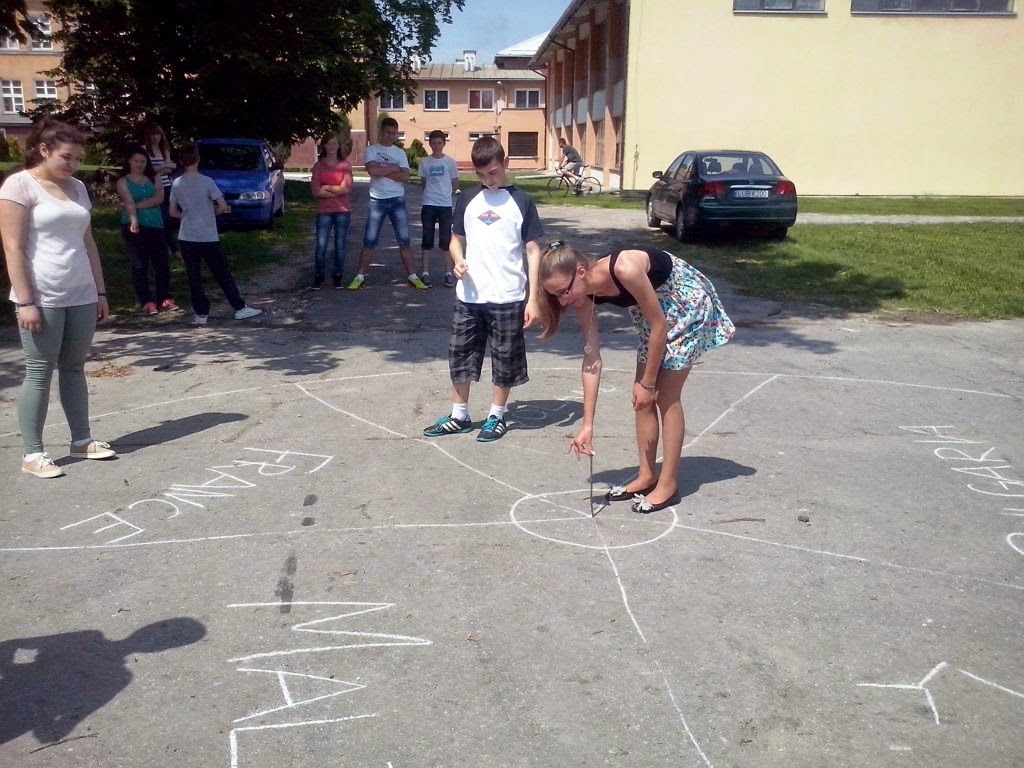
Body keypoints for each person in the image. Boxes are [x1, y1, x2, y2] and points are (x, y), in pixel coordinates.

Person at [537, 242, 735, 513]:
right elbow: (592, 359)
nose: (562, 301)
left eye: (563, 291)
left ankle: (668, 485)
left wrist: (649, 383)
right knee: (641, 399)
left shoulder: (625, 269)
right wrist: (587, 425)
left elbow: (660, 325)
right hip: (653, 312)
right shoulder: (584, 297)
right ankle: (647, 475)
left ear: (580, 272)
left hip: (685, 305)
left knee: (664, 395)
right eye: (555, 296)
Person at [0, 118, 118, 479]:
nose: (74, 164)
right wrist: (26, 302)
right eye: (67, 156)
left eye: (79, 158)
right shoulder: (19, 185)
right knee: (39, 371)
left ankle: (81, 439)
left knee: (74, 367)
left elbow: (88, 242)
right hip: (42, 295)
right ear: (44, 150)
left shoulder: (78, 187)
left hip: (81, 292)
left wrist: (99, 291)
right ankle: (33, 452)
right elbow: (12, 246)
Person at [422, 137, 544, 443]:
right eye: (480, 175)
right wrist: (458, 260)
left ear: (505, 164)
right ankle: (459, 415)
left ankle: (496, 416)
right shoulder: (467, 199)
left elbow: (533, 251)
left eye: (493, 172)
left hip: (508, 296)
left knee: (505, 358)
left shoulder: (522, 202)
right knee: (460, 355)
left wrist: (534, 298)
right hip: (469, 296)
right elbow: (455, 240)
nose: (488, 180)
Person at [169, 144, 262, 326]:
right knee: (221, 273)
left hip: (187, 235)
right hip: (207, 235)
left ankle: (201, 313)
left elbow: (172, 211)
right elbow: (222, 206)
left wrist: (187, 216)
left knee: (194, 276)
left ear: (181, 161)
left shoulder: (177, 183)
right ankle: (239, 307)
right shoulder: (207, 182)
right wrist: (212, 212)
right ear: (198, 159)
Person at [346, 117, 427, 291]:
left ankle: (413, 276)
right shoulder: (372, 150)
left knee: (404, 240)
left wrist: (382, 171)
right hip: (377, 201)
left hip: (397, 200)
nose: (391, 136)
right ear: (381, 132)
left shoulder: (399, 152)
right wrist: (394, 169)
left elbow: (406, 177)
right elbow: (372, 171)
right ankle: (359, 276)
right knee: (370, 240)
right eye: (388, 132)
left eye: (394, 133)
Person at [116, 146, 176, 314]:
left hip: (155, 224)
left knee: (162, 263)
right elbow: (127, 200)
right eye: (136, 161)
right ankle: (146, 301)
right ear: (129, 161)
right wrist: (134, 218)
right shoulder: (123, 181)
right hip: (134, 225)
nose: (139, 164)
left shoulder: (154, 177)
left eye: (143, 161)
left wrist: (136, 206)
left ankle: (164, 298)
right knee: (139, 264)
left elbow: (159, 198)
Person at [309, 132, 354, 290]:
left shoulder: (345, 166)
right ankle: (319, 277)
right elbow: (316, 191)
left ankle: (338, 276)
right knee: (321, 245)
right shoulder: (318, 166)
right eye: (329, 144)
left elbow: (347, 188)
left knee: (340, 245)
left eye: (335, 143)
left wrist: (326, 187)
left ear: (339, 146)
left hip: (342, 210)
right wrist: (337, 190)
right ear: (324, 146)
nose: (332, 147)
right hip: (324, 211)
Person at [417, 129, 460, 288]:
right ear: (430, 144)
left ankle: (448, 273)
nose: (436, 146)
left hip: (445, 205)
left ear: (444, 144)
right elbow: (423, 183)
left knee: (445, 240)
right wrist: (429, 195)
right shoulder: (425, 162)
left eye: (439, 143)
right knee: (427, 238)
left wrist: (451, 192)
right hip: (429, 204)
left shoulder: (450, 162)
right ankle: (425, 273)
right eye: (434, 143)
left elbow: (455, 182)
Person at [143, 123, 178, 256]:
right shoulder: (145, 150)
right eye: (152, 134)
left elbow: (169, 170)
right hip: (153, 188)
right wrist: (165, 165)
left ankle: (171, 247)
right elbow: (147, 171)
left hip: (166, 186)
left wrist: (159, 169)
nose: (155, 137)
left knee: (166, 217)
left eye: (157, 134)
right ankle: (166, 246)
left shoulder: (164, 150)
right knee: (159, 217)